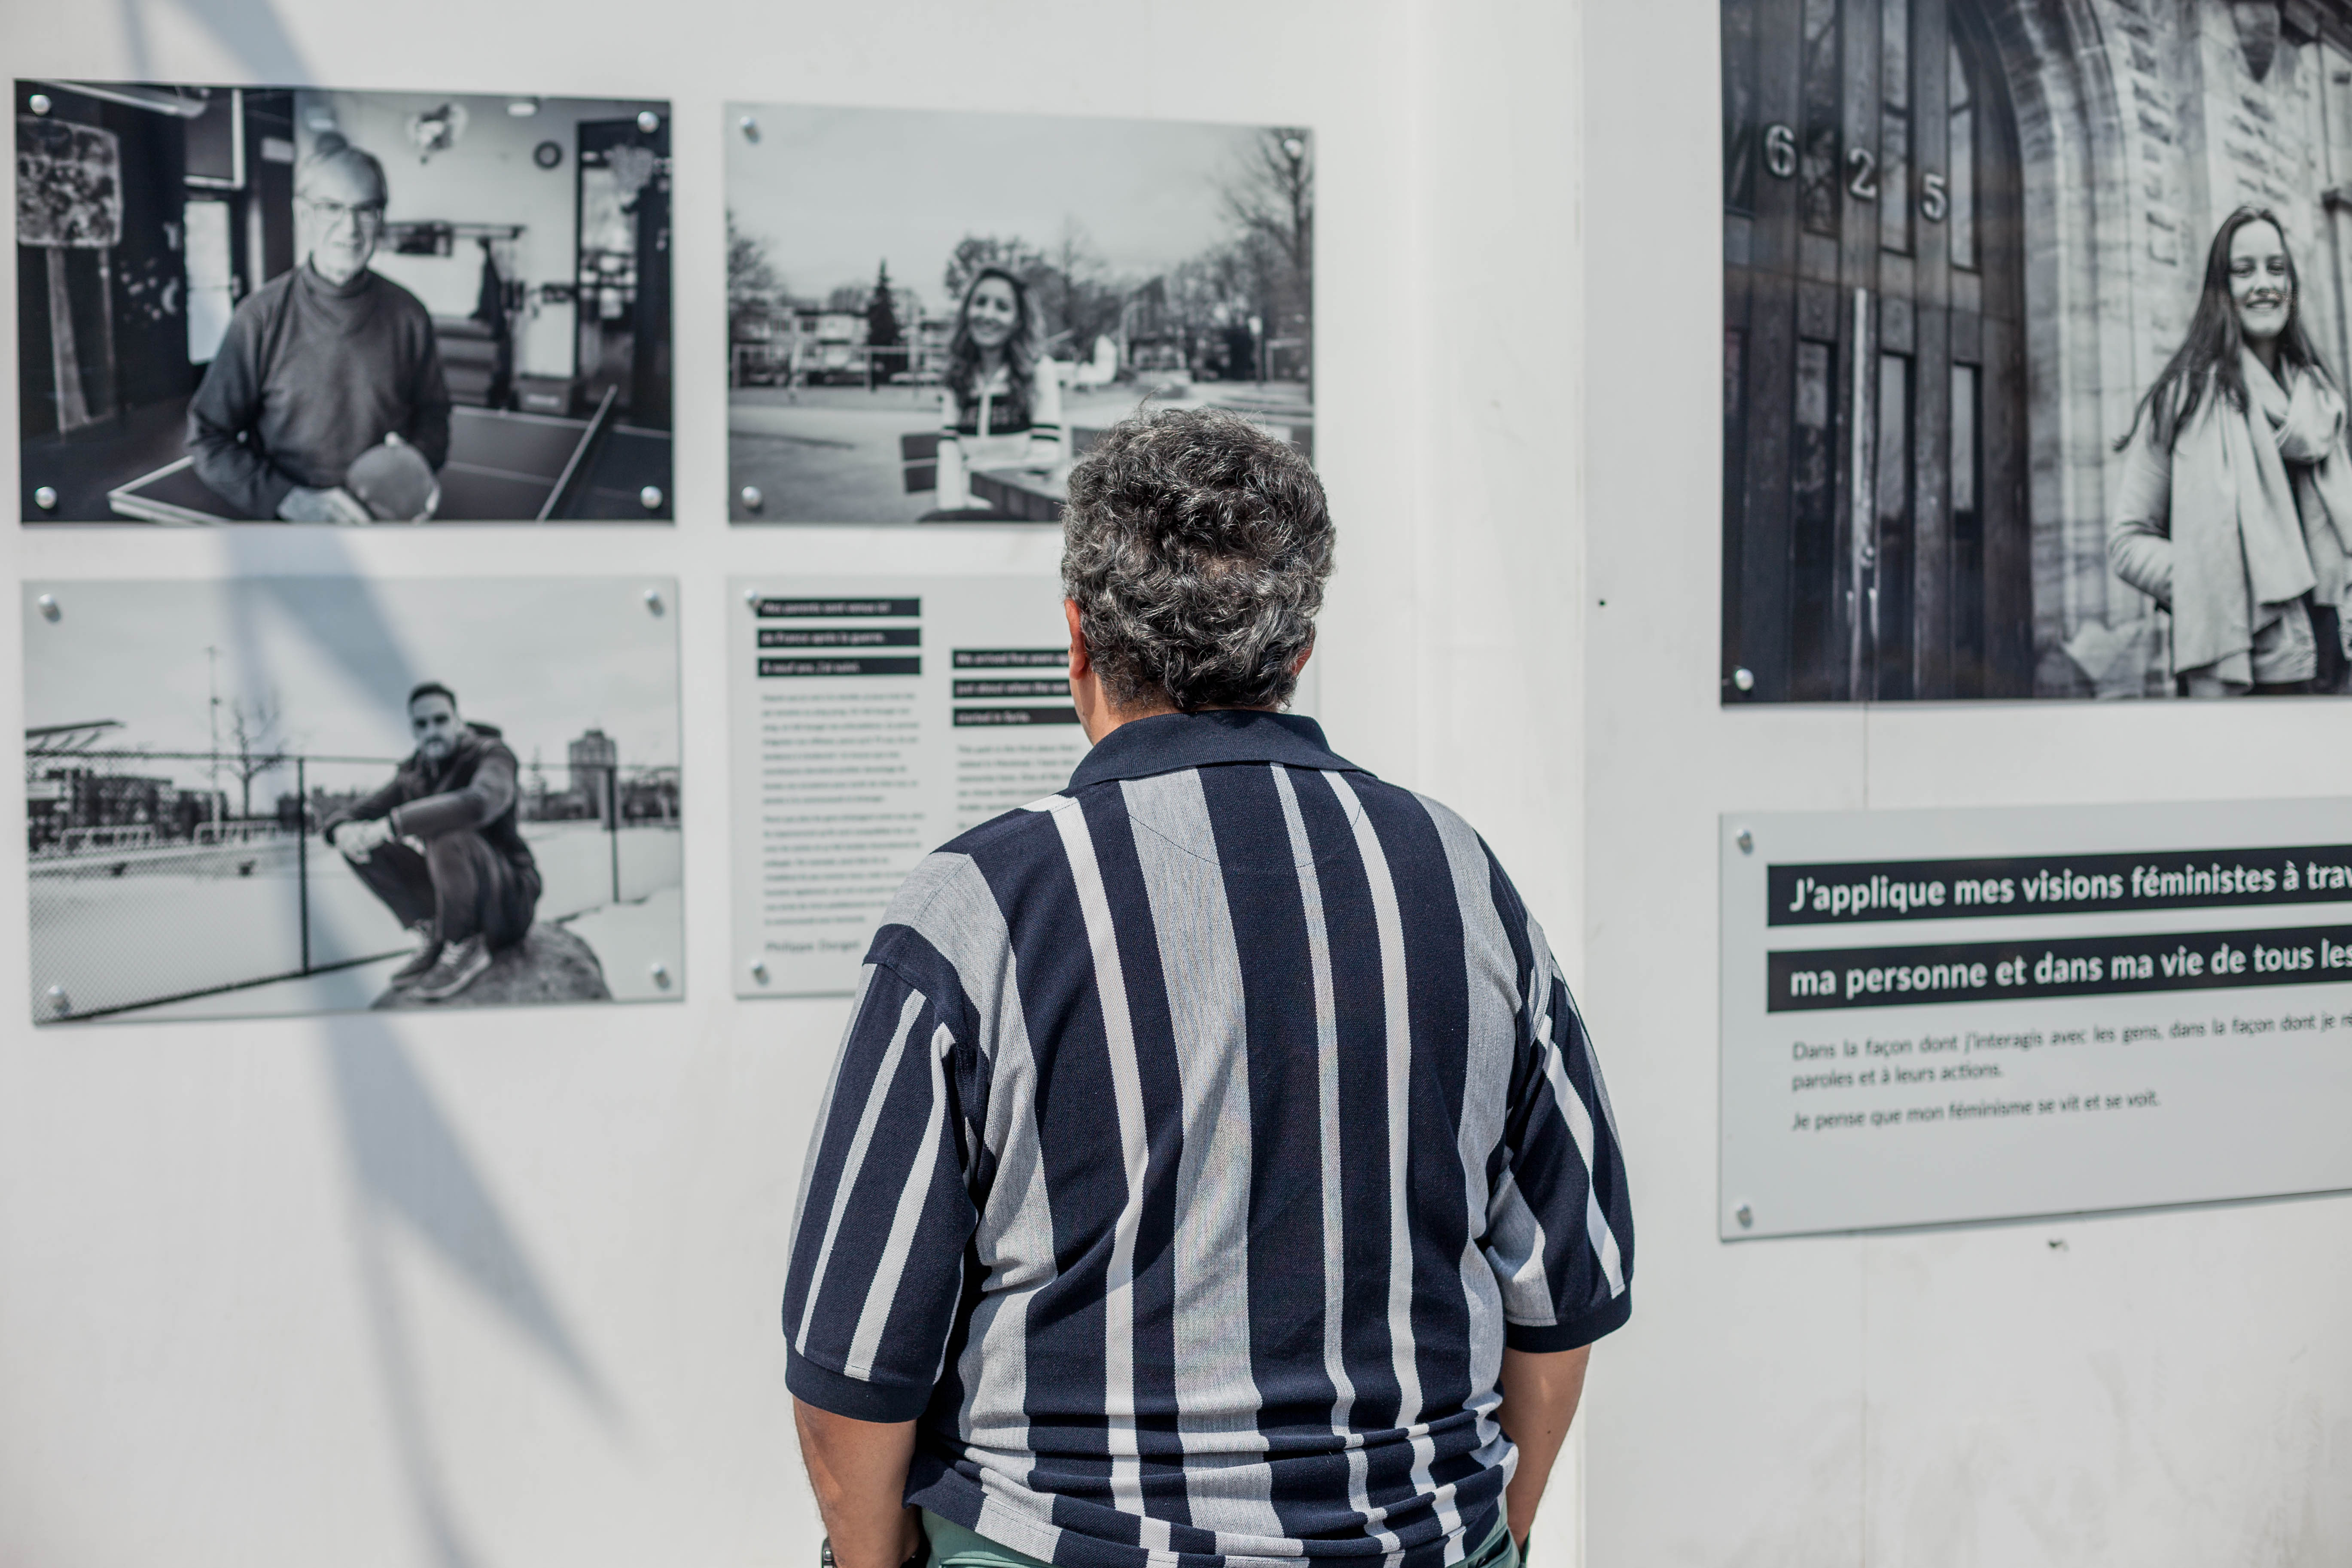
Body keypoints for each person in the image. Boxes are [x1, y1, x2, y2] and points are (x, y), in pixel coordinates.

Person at [785, 408, 1634, 1568]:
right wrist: (1499, 1536)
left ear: (1076, 637)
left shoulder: (981, 901)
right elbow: (1562, 1284)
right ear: (1298, 648)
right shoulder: (1458, 876)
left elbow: (851, 1368)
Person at [2110, 205, 2352, 696]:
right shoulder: (2183, 399)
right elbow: (2128, 542)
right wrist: (2209, 583)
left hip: (2336, 661)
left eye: (2276, 268)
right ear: (2221, 289)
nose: (2264, 284)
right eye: (2244, 271)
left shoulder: (2321, 403)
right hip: (2246, 667)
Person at [186, 134, 451, 524]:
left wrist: (414, 464)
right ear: (303, 213)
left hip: (382, 518)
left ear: (381, 218)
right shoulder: (259, 318)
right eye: (331, 208)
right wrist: (288, 500)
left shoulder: (409, 315)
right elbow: (207, 438)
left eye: (366, 210)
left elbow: (434, 415)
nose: (350, 229)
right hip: (291, 522)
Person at [320, 682, 541, 1003]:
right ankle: (437, 933)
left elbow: (479, 803)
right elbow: (353, 814)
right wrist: (342, 831)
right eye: (422, 724)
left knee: (447, 836)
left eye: (440, 720)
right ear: (413, 729)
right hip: (453, 892)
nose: (432, 731)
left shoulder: (492, 754)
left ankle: (464, 943)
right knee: (362, 844)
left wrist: (394, 824)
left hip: (507, 898)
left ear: (458, 721)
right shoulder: (414, 773)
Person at [924, 267, 1063, 519]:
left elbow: (1044, 457)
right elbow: (950, 455)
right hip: (968, 510)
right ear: (967, 311)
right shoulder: (958, 375)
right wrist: (951, 515)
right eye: (980, 303)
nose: (988, 315)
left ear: (1018, 320)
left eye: (1002, 307)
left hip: (1020, 509)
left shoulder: (1038, 371)